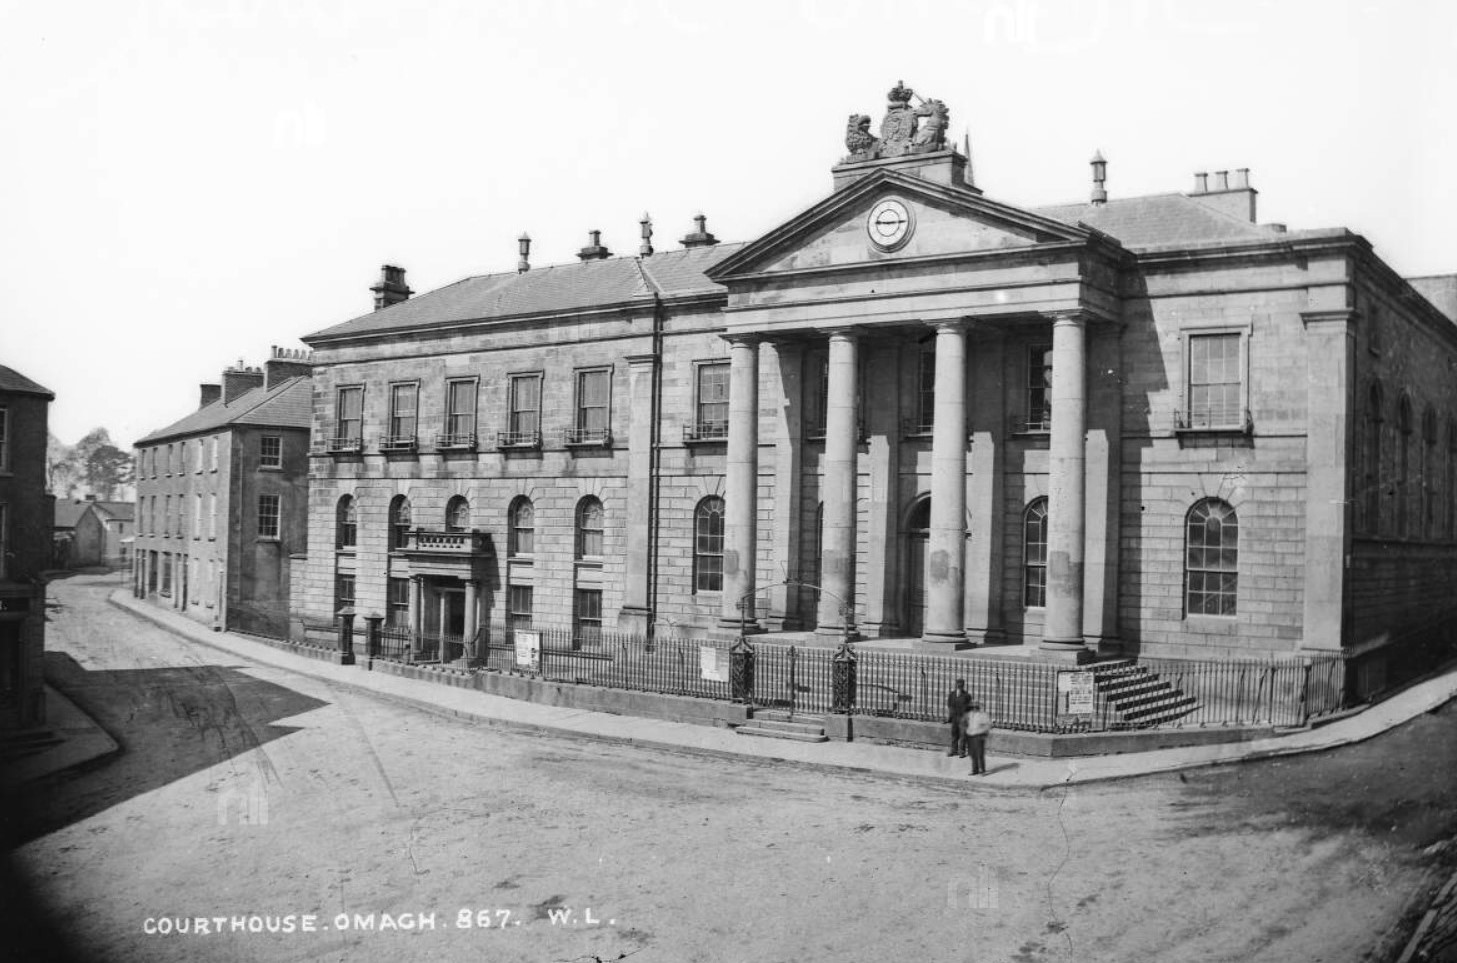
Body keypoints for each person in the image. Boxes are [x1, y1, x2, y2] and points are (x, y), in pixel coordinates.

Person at [946, 679, 973, 757]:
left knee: (962, 735)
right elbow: (949, 705)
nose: (959, 686)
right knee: (954, 734)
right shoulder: (952, 694)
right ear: (956, 685)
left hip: (962, 718)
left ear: (963, 685)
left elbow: (969, 707)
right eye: (958, 684)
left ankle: (962, 751)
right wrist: (950, 715)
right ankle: (954, 750)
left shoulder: (967, 696)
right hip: (954, 718)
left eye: (961, 684)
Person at [965, 701, 993, 776]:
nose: (974, 709)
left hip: (979, 735)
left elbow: (989, 725)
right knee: (972, 753)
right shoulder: (970, 714)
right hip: (971, 735)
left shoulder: (983, 715)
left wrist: (983, 731)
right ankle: (975, 769)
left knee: (979, 753)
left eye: (976, 707)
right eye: (973, 707)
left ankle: (982, 770)